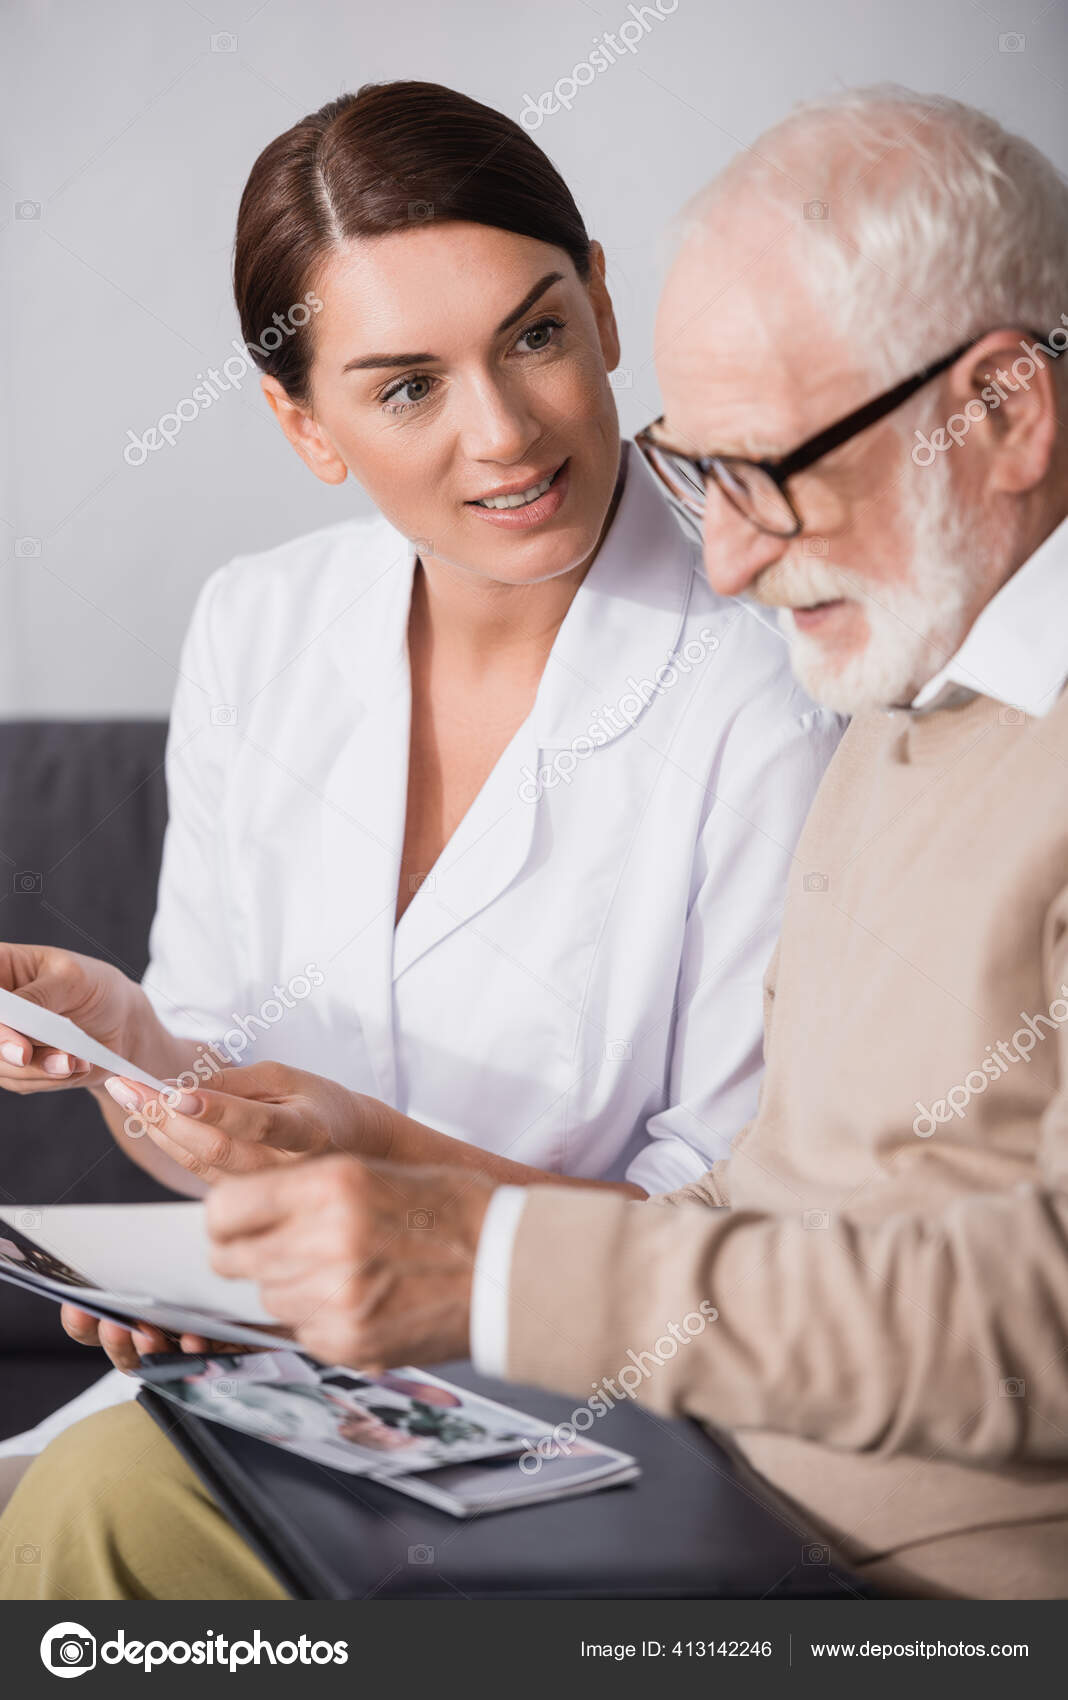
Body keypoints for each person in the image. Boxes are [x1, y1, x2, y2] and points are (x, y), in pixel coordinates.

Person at [16, 79, 1067, 1602]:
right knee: (85, 1508)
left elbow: (760, 1240)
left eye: (536, 334)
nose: (508, 434)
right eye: (402, 385)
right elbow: (778, 1206)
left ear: (600, 307)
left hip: (640, 1420)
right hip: (452, 1386)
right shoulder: (911, 686)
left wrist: (441, 1259)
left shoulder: (814, 652)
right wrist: (156, 1063)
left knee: (101, 1515)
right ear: (303, 424)